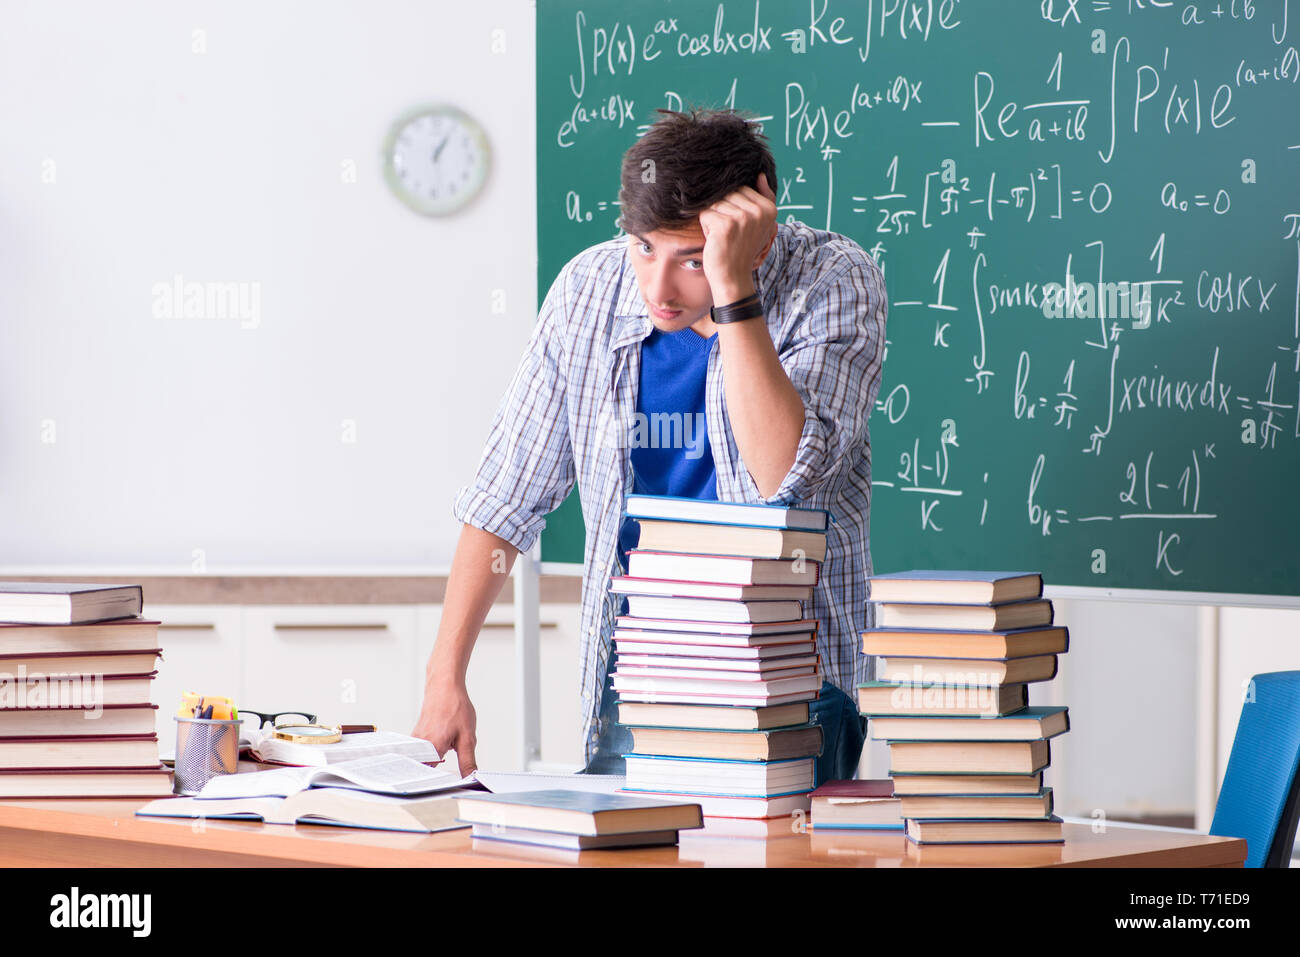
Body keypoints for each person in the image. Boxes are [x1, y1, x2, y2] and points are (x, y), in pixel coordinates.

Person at [413, 107, 888, 787]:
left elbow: (784, 478)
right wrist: (445, 675)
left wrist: (733, 292)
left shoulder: (833, 280)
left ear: (756, 227)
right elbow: (505, 494)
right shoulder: (587, 290)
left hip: (787, 671)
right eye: (643, 247)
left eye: (690, 258)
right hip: (634, 669)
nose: (658, 289)